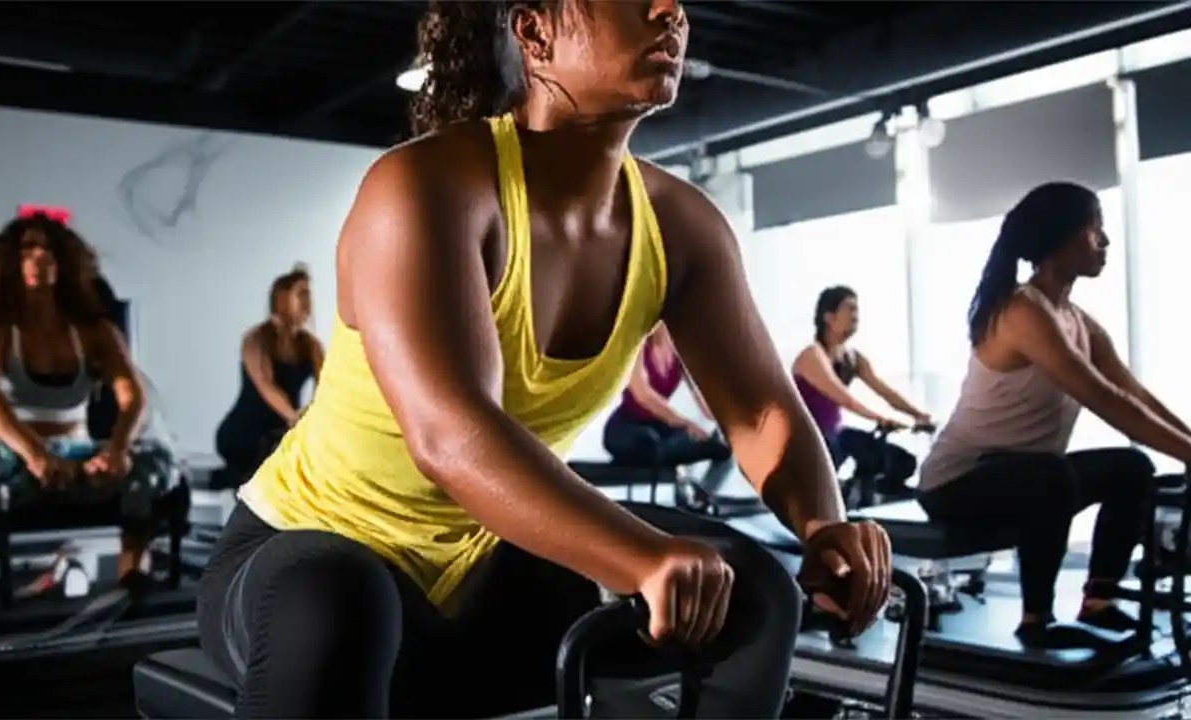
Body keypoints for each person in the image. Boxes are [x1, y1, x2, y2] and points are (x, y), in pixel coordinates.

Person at [198, 2, 893, 718]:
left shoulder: (682, 227)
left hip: (486, 569)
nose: (671, 11)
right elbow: (450, 435)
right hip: (307, 554)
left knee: (752, 591)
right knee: (339, 598)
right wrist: (639, 558)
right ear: (534, 33)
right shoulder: (427, 186)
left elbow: (762, 411)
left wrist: (823, 527)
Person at [918, 182, 1191, 648]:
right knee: (1052, 476)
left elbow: (1133, 393)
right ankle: (1036, 621)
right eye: (1094, 230)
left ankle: (1099, 600)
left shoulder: (1076, 319)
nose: (1104, 241)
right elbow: (1105, 399)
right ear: (1060, 238)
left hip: (1025, 477)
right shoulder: (1023, 312)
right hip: (956, 482)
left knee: (1132, 468)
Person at [0, 213, 180, 611]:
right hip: (3, 453)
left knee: (157, 458)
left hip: (74, 454)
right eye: (28, 249)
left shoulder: (96, 332)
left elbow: (133, 395)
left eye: (49, 250)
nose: (40, 257)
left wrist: (118, 448)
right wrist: (35, 454)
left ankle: (133, 572)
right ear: (8, 262)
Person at [793, 286, 932, 497]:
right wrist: (880, 419)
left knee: (902, 462)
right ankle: (846, 495)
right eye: (849, 309)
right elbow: (844, 398)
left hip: (836, 436)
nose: (855, 315)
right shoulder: (812, 355)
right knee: (837, 445)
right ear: (829, 317)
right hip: (809, 441)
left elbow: (885, 392)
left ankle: (862, 495)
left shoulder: (853, 358)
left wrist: (918, 415)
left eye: (857, 309)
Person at [603, 322, 739, 513]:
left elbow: (702, 399)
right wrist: (685, 423)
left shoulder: (681, 354)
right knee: (652, 442)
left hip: (659, 429)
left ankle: (699, 500)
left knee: (723, 451)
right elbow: (643, 395)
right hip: (625, 428)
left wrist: (733, 420)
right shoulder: (638, 346)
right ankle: (681, 484)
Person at [214, 265, 323, 482]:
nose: (308, 302)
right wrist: (294, 419)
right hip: (243, 434)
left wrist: (313, 422)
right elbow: (266, 385)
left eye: (309, 295)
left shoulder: (311, 346)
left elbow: (327, 389)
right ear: (282, 298)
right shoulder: (256, 339)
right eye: (302, 294)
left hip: (281, 434)